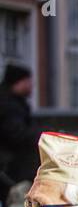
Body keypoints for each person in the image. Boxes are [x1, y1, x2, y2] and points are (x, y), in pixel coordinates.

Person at [0, 63, 40, 200]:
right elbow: (17, 134)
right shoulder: (9, 105)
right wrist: (40, 136)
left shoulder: (14, 103)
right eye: (28, 81)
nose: (31, 85)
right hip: (11, 168)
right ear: (18, 82)